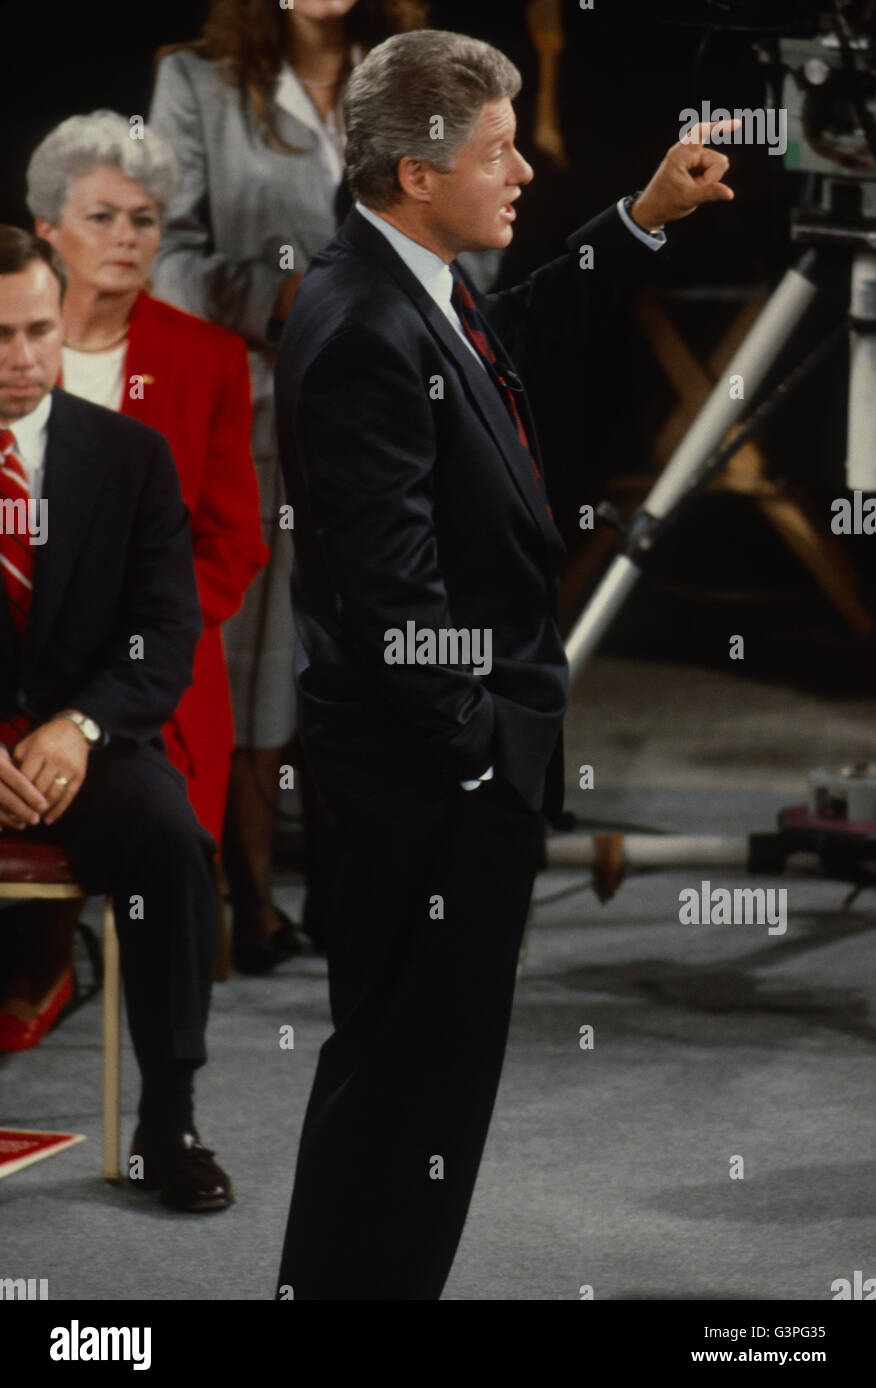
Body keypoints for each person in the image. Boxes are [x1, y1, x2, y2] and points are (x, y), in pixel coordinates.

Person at [273, 30, 735, 1298]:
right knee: (403, 1101)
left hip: (437, 781)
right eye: (497, 151)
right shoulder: (364, 326)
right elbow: (390, 605)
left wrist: (639, 217)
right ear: (418, 175)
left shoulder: (405, 280)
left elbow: (509, 338)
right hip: (429, 793)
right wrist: (486, 754)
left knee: (412, 1100)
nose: (525, 170)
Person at [148, 0, 493, 972]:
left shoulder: (422, 72)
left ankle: (372, 892)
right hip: (257, 410)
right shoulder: (196, 82)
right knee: (255, 667)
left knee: (386, 646)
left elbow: (476, 240)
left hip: (401, 414)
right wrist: (282, 296)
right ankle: (250, 901)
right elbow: (165, 259)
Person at [0, 227, 232, 1210]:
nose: (21, 358)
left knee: (173, 842)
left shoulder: (134, 458)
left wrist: (80, 727)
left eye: (39, 331)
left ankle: (168, 1119)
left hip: (84, 745)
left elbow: (165, 631)